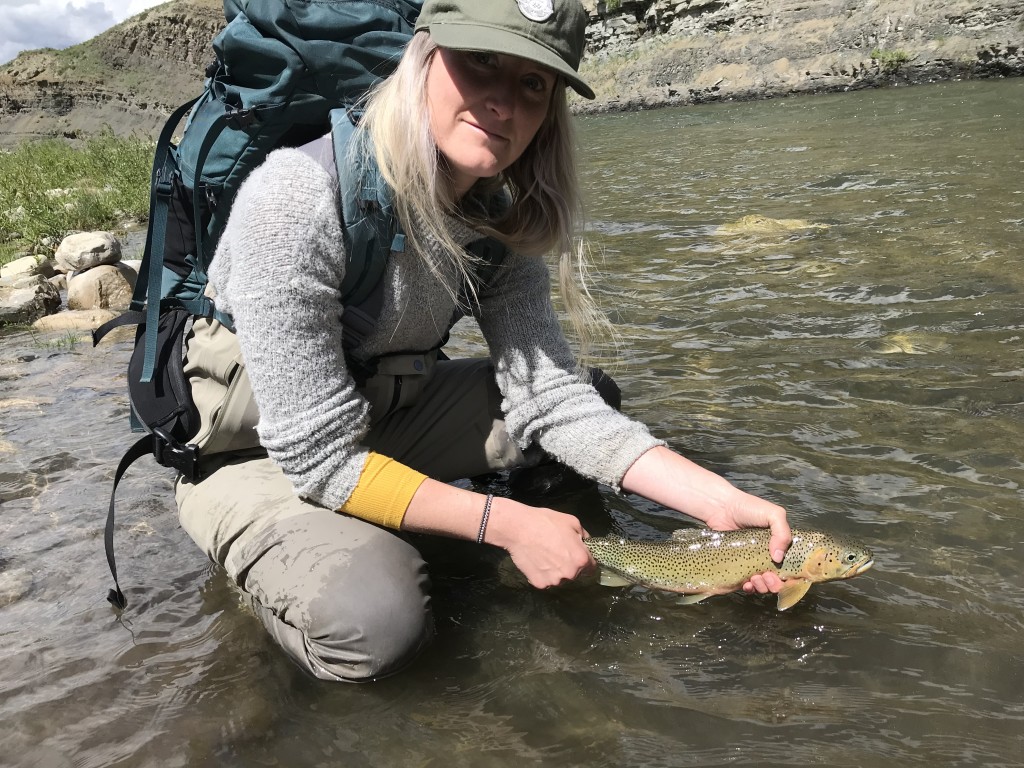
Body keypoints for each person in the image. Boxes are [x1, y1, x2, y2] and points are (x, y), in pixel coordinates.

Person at [174, 0, 792, 683]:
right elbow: (318, 459)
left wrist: (715, 502)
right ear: (425, 57)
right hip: (255, 455)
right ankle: (268, 571)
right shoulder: (294, 199)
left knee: (588, 395)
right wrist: (505, 525)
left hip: (378, 418)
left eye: (533, 84)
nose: (503, 102)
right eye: (482, 62)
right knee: (374, 624)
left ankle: (409, 515)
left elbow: (551, 399)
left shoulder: (497, 220)